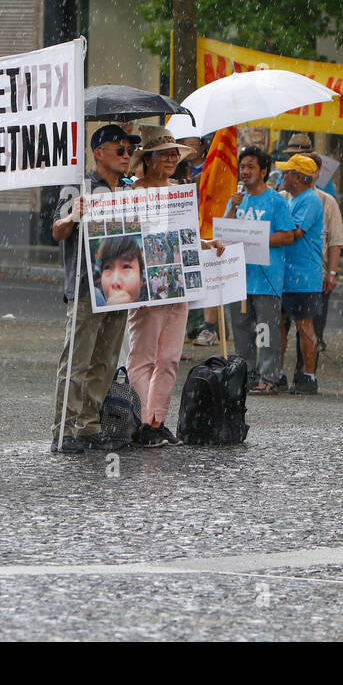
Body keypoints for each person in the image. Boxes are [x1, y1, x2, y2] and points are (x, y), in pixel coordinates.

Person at [51, 124, 140, 453]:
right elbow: (57, 231)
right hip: (87, 287)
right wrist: (73, 216)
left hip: (120, 289)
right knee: (76, 361)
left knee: (104, 361)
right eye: (120, 150)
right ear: (98, 152)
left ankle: (89, 425)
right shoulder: (79, 186)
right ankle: (64, 429)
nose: (127, 155)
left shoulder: (130, 190)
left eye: (130, 150)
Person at [125, 125, 200, 446]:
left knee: (169, 358)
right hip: (145, 283)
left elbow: (185, 236)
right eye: (166, 154)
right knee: (142, 358)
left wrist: (206, 244)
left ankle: (157, 421)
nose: (172, 159)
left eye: (175, 154)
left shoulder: (180, 190)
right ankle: (143, 422)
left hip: (177, 281)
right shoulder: (130, 193)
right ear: (149, 158)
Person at [223, 146, 295, 395]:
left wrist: (257, 240)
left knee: (265, 329)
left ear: (263, 171)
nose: (245, 171)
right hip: (239, 278)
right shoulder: (237, 200)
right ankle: (247, 375)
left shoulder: (276, 200)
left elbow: (287, 235)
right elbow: (225, 235)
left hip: (267, 278)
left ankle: (269, 377)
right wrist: (232, 208)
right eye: (242, 167)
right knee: (241, 329)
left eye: (251, 167)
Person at [275, 153, 324, 394]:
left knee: (305, 326)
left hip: (304, 275)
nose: (282, 176)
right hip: (285, 274)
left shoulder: (310, 200)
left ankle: (308, 375)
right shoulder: (291, 199)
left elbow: (295, 232)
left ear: (298, 177)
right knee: (280, 324)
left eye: (287, 172)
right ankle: (279, 372)